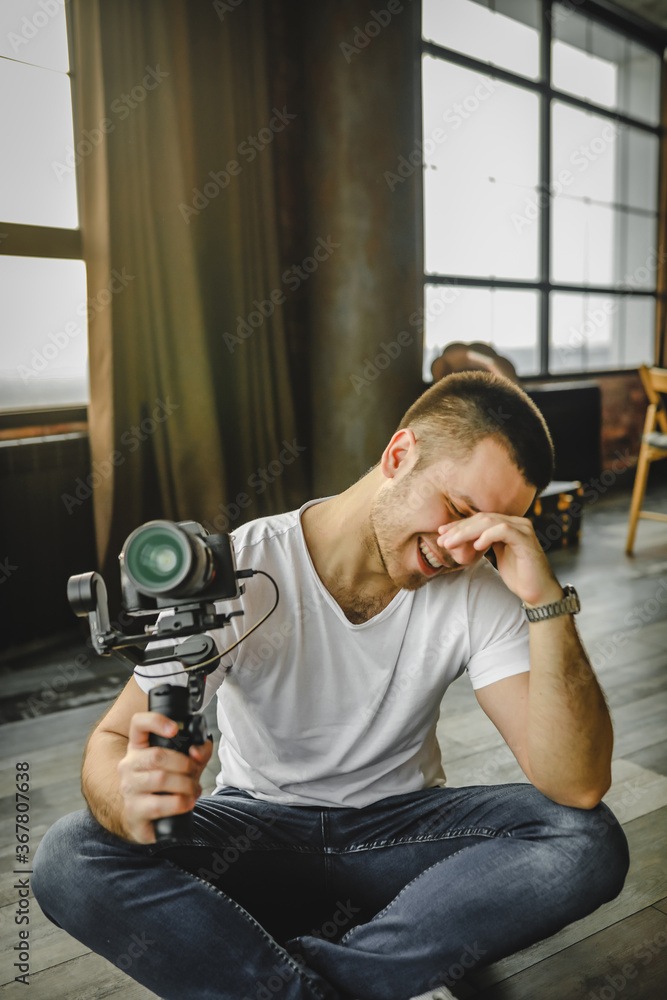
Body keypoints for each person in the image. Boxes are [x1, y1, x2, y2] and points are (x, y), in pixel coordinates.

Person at [33, 371, 629, 1000]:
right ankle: (355, 978)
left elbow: (576, 782)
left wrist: (546, 600)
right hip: (255, 835)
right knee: (70, 854)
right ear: (399, 456)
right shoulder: (243, 564)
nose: (458, 549)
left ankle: (277, 983)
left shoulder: (481, 584)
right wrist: (127, 801)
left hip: (402, 840)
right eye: (457, 511)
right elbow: (116, 735)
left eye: (486, 532)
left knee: (585, 840)